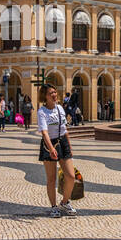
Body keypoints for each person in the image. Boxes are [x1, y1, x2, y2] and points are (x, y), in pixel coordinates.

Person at [37, 84, 78, 218]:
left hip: (63, 142)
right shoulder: (42, 112)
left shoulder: (60, 108)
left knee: (71, 176)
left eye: (55, 92)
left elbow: (64, 129)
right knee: (51, 178)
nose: (54, 95)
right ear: (45, 96)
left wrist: (69, 147)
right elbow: (44, 132)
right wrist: (51, 148)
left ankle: (64, 202)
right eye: (51, 93)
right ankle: (54, 207)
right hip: (49, 144)